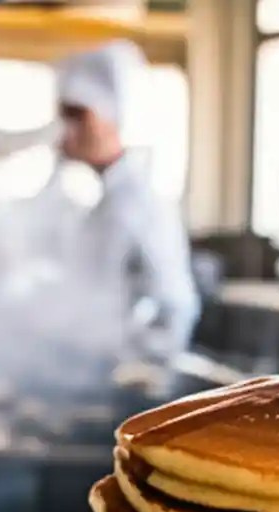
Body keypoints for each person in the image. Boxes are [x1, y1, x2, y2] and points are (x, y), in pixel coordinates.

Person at [51, 40, 200, 359]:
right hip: (90, 367)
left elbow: (174, 305)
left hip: (121, 374)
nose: (66, 131)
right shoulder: (100, 203)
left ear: (111, 118)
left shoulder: (143, 205)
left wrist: (135, 365)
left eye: (78, 116)